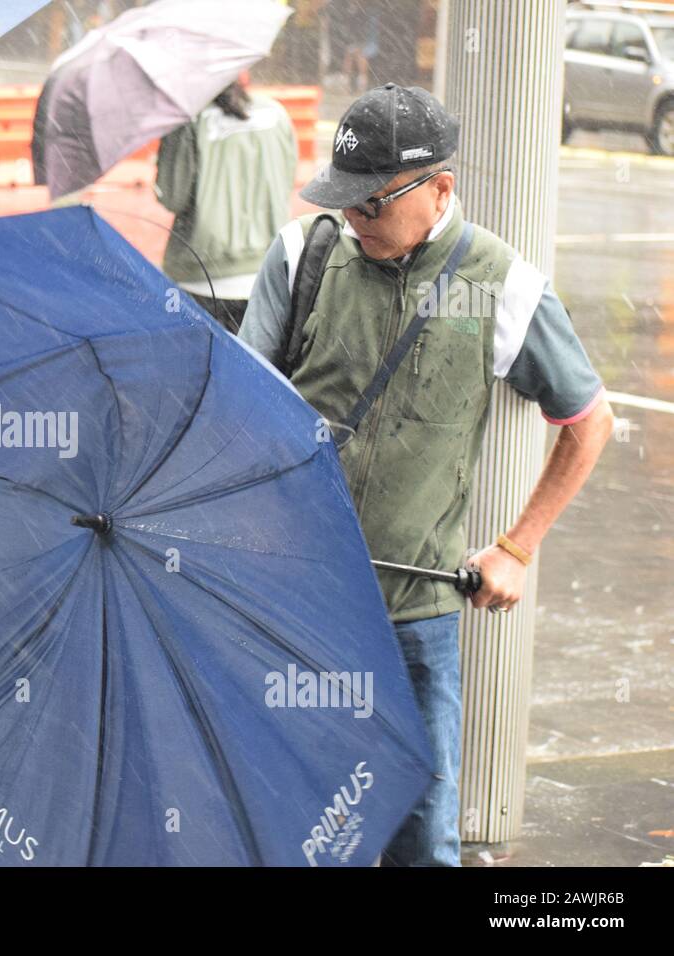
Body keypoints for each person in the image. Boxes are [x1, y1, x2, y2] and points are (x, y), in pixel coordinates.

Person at [239, 84, 614, 866]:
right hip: (291, 608)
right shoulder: (303, 256)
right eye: (343, 201)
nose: (353, 221)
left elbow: (589, 423)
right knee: (282, 826)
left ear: (440, 188)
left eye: (371, 205)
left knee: (419, 838)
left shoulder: (498, 284)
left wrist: (516, 546)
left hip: (415, 620)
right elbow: (237, 413)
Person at [155, 78, 296, 335]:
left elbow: (171, 197)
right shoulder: (277, 113)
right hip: (266, 274)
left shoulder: (188, 122)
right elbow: (286, 181)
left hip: (200, 276)